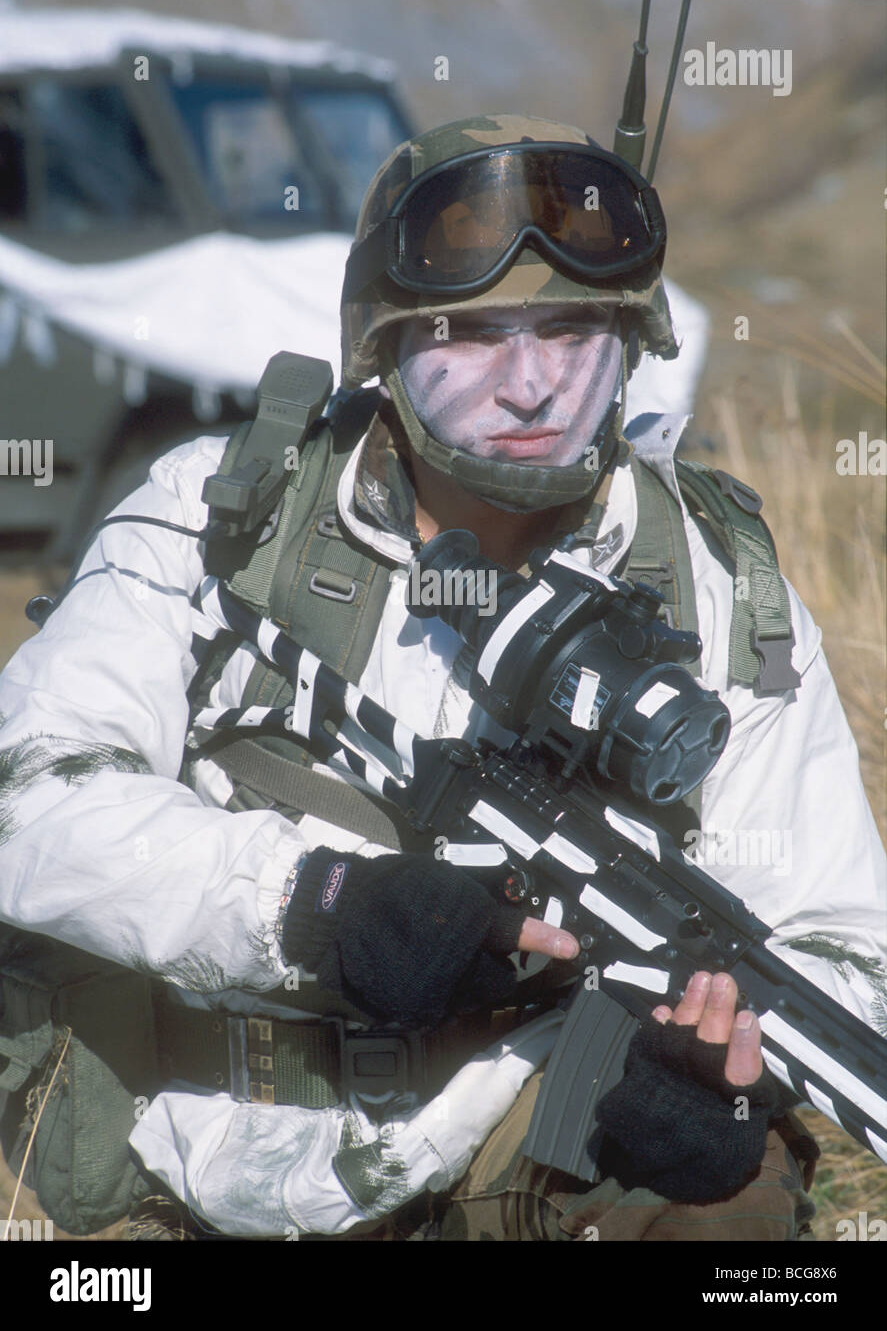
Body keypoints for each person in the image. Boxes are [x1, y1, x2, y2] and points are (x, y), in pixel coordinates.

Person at [0, 115, 883, 1243]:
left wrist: (718, 1080)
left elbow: (839, 942)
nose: (528, 386)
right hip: (175, 1134)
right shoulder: (219, 512)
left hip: (503, 1129)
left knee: (731, 1216)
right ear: (386, 345)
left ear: (631, 346)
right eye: (468, 333)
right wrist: (310, 903)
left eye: (572, 331)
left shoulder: (717, 586)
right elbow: (30, 802)